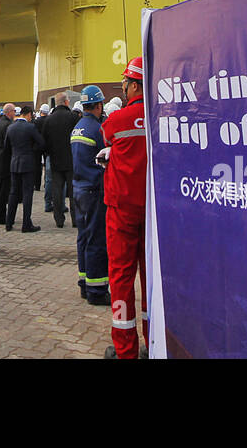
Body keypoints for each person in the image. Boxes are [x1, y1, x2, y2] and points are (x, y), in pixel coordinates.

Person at [102, 57, 148, 359]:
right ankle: (154, 342)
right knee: (152, 279)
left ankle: (125, 350)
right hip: (154, 212)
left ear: (133, 85)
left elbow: (108, 138)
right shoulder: (163, 116)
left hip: (121, 209)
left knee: (120, 277)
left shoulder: (116, 121)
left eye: (125, 83)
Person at [71, 85, 110, 306]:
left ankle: (85, 283)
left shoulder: (77, 127)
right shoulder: (98, 129)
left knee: (83, 237)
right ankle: (96, 290)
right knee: (97, 240)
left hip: (78, 189)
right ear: (98, 105)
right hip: (94, 190)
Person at [5, 103, 44, 232]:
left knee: (13, 193)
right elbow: (41, 143)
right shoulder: (30, 127)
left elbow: (6, 147)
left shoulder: (11, 127)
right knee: (27, 194)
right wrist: (32, 151)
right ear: (28, 114)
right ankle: (26, 224)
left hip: (14, 163)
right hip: (28, 163)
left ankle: (9, 222)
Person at [43, 91, 79, 228]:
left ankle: (59, 219)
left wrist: (49, 154)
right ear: (66, 102)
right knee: (73, 191)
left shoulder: (49, 119)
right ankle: (76, 219)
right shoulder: (73, 117)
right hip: (71, 160)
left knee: (57, 191)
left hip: (55, 160)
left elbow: (44, 140)